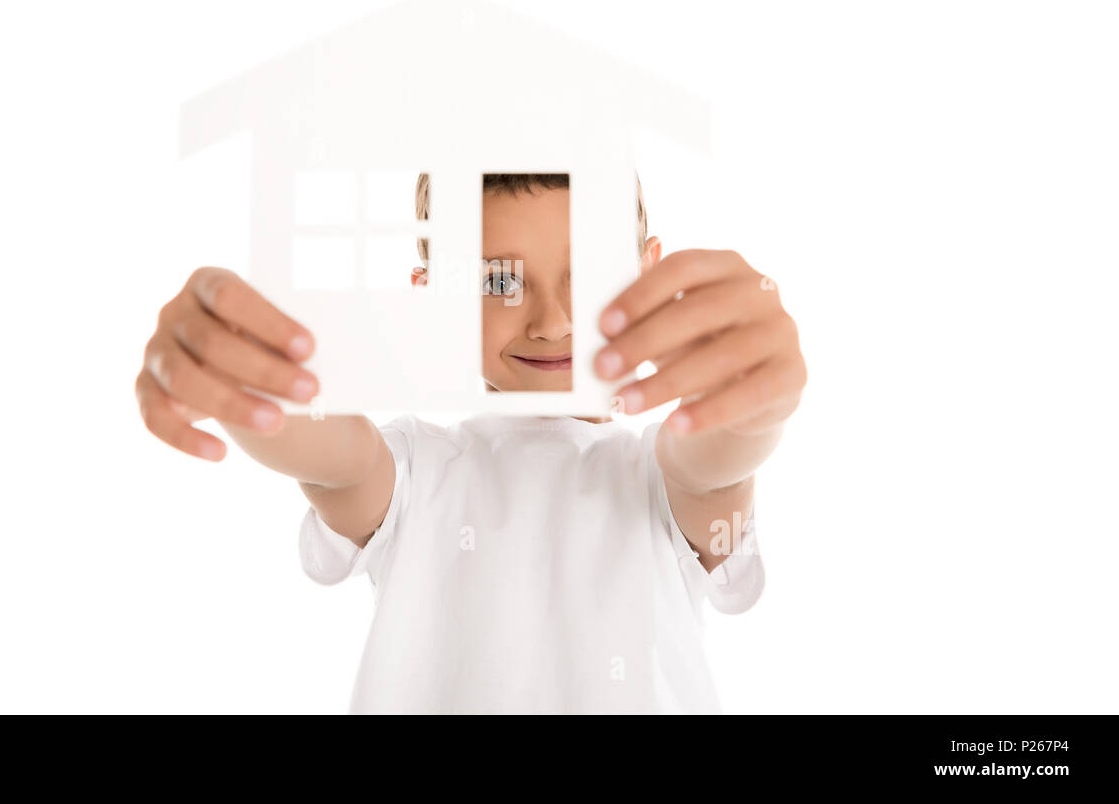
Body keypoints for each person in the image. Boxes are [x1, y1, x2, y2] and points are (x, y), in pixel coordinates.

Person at [135, 172, 806, 712]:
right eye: (498, 280)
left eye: (589, 271)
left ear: (649, 272)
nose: (553, 320)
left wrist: (755, 401)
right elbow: (338, 456)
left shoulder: (656, 475)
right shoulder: (419, 471)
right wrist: (245, 375)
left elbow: (716, 465)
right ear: (433, 297)